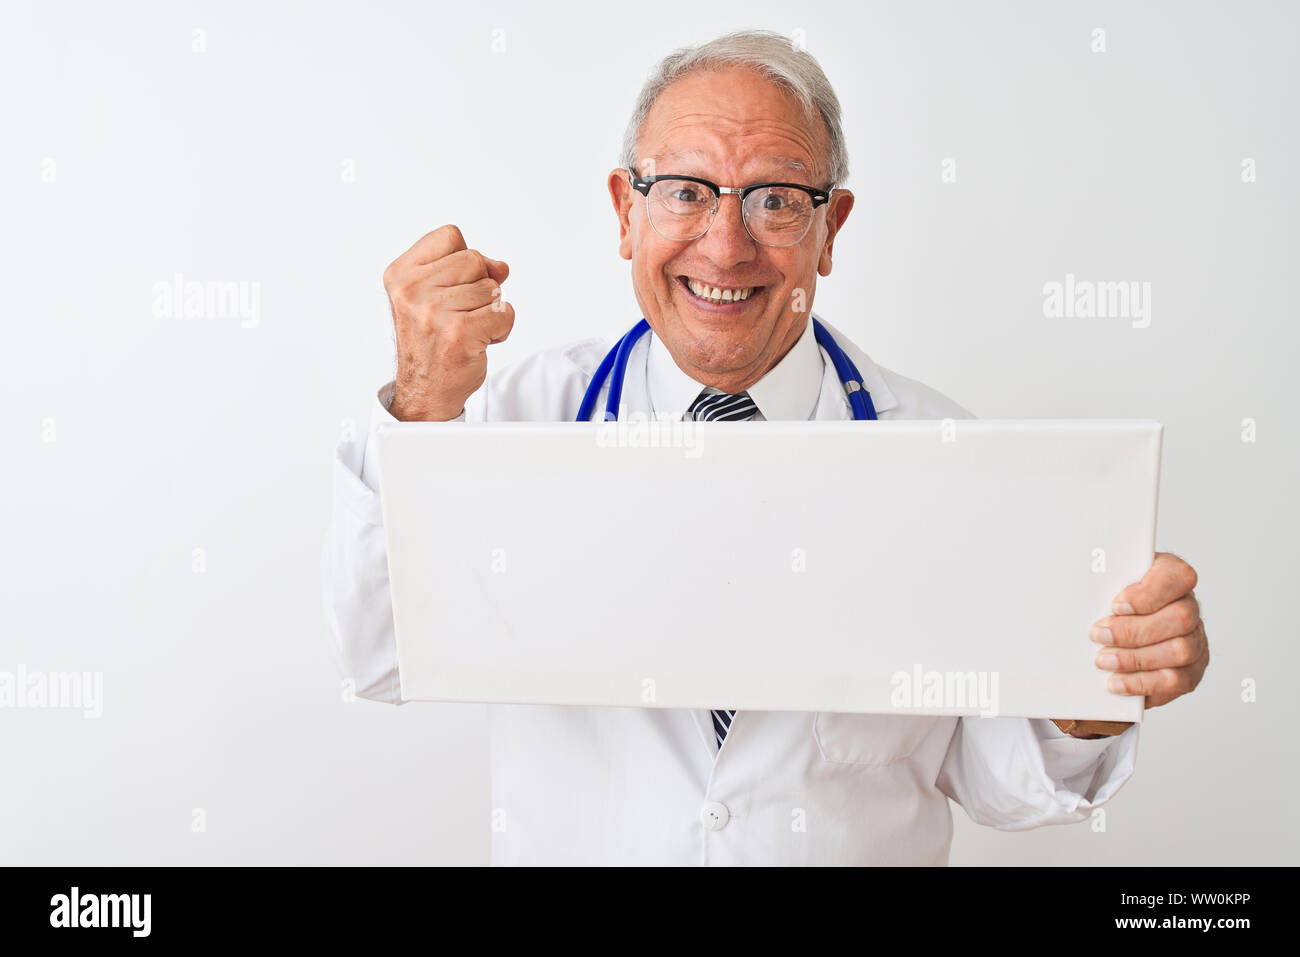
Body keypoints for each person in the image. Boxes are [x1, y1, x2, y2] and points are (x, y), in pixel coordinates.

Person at [321, 29, 1209, 865]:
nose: (726, 241)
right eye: (685, 191)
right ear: (625, 211)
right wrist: (421, 407)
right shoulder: (518, 418)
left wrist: (1094, 697)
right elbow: (380, 657)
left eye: (778, 199)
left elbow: (1000, 782)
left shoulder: (947, 456)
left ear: (833, 230)